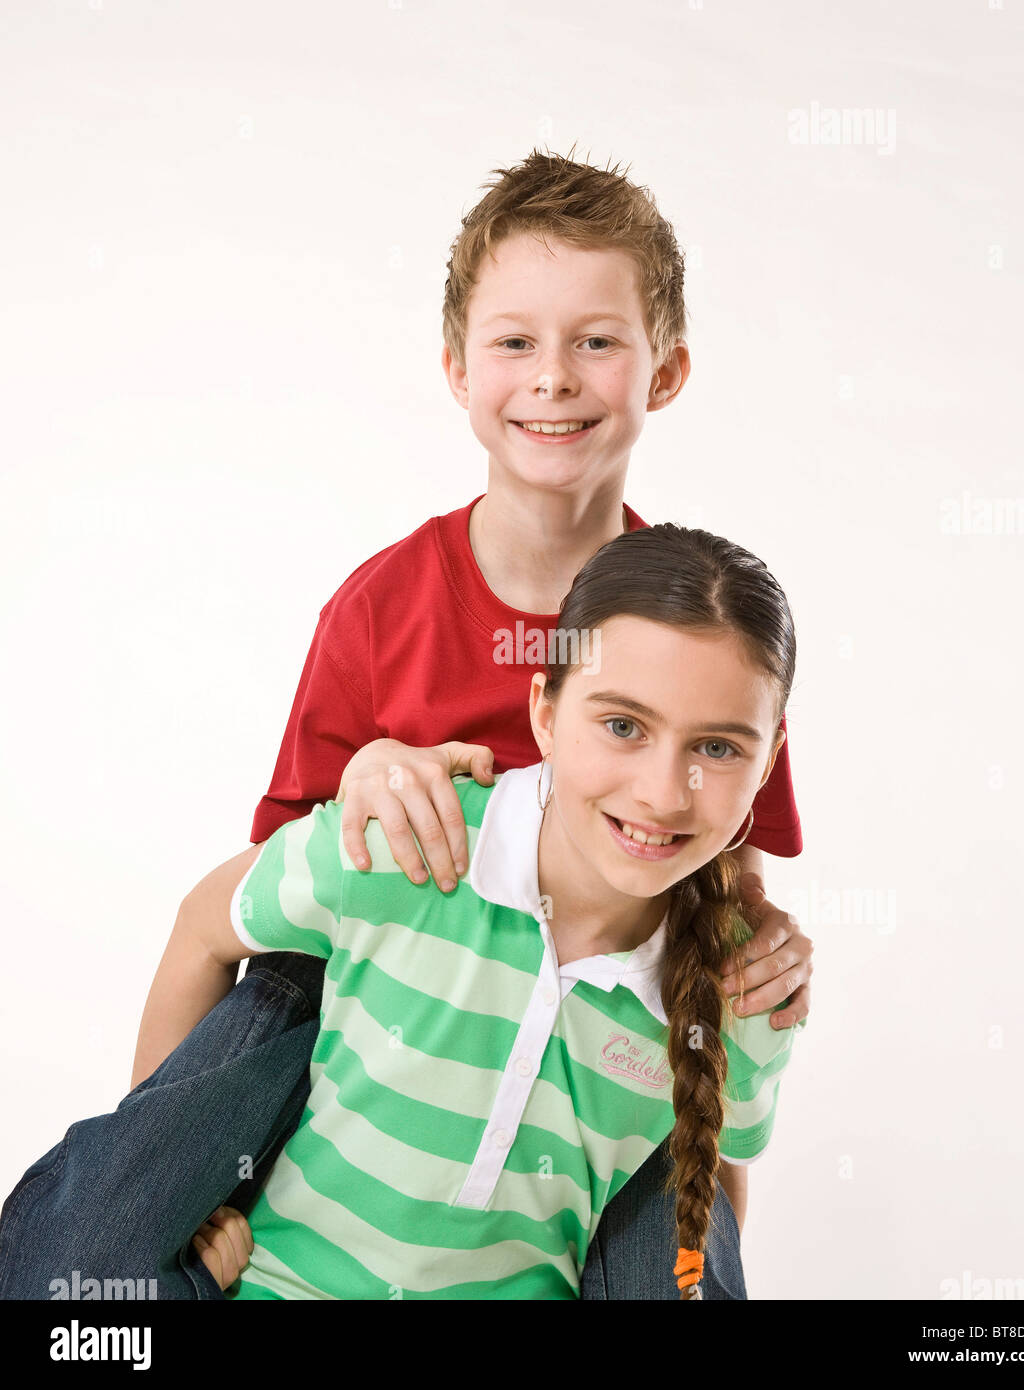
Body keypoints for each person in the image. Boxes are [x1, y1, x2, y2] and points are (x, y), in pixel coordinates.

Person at [0, 148, 813, 1301]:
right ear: (455, 366)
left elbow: (723, 877)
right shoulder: (383, 605)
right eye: (515, 342)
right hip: (353, 987)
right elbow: (260, 898)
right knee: (90, 1259)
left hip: (596, 1026)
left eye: (597, 341)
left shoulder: (697, 631)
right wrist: (195, 1181)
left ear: (664, 370)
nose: (554, 379)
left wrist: (767, 955)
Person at [9, 524, 803, 1300]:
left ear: (768, 761)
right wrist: (170, 1196)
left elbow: (701, 1214)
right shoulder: (402, 842)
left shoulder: (747, 988)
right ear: (543, 713)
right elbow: (203, 927)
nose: (663, 793)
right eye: (622, 725)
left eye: (718, 749)